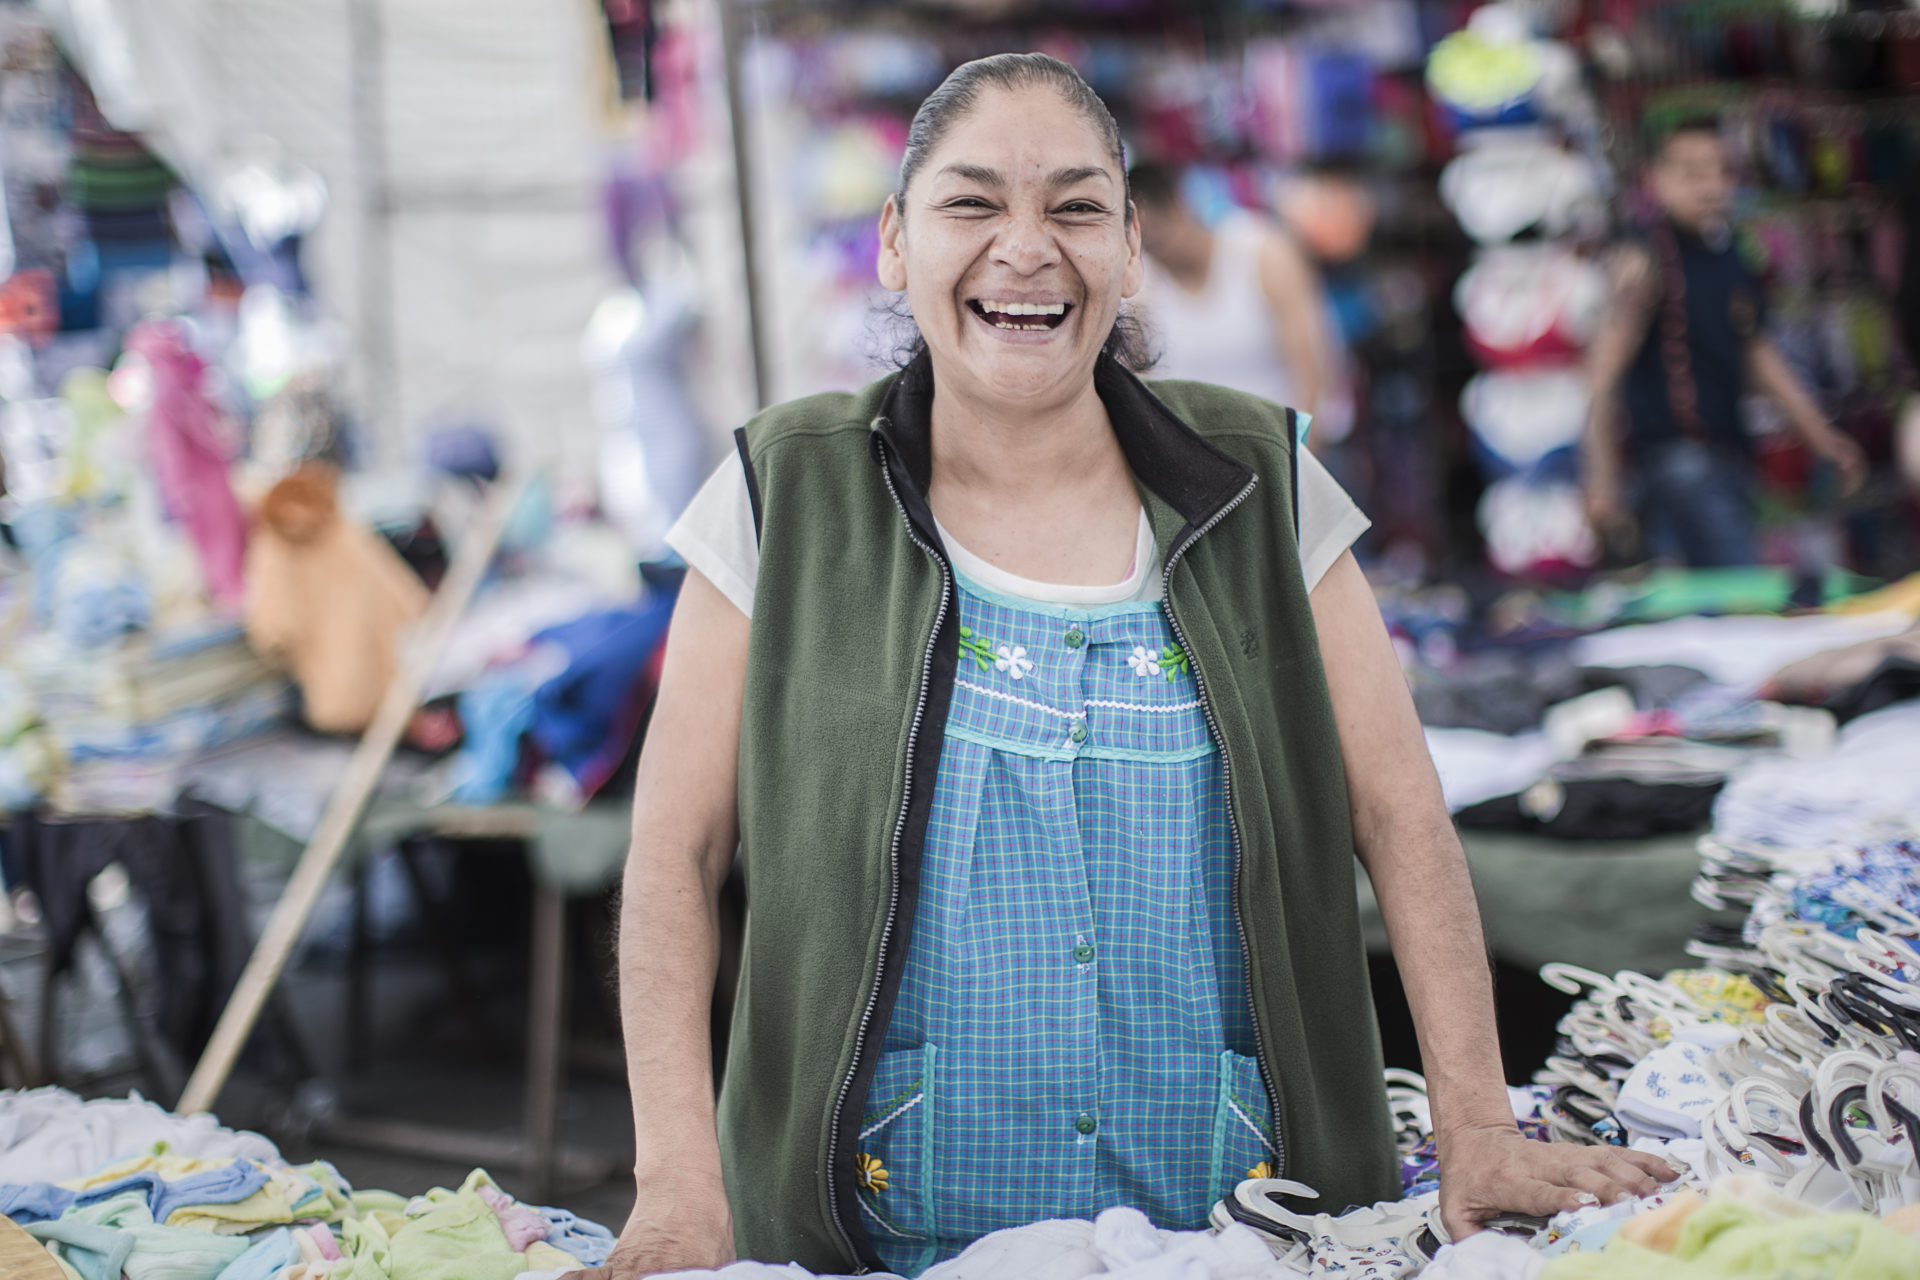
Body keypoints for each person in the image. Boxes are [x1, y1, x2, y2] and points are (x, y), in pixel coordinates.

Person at [592, 53, 1677, 1280]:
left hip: (1244, 1229)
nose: (1026, 247)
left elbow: (1399, 810)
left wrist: (1481, 1128)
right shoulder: (781, 494)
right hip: (878, 1239)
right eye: (971, 203)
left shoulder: (1261, 484)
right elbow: (675, 856)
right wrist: (681, 1185)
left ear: (1128, 245)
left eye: (1072, 206)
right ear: (895, 241)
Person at [1582, 115, 1866, 567]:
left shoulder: (1728, 251)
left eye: (1721, 170)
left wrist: (1821, 437)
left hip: (1730, 456)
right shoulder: (1645, 257)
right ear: (1655, 179)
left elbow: (1757, 351)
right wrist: (1601, 479)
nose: (1712, 185)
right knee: (1736, 598)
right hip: (1680, 463)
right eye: (1693, 172)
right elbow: (1602, 373)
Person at [1128, 162, 1343, 442]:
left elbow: (1313, 371)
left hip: (1281, 448)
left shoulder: (1263, 254)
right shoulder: (1145, 288)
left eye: (1160, 239)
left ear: (1180, 207)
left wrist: (1301, 462)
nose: (1159, 254)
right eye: (1148, 246)